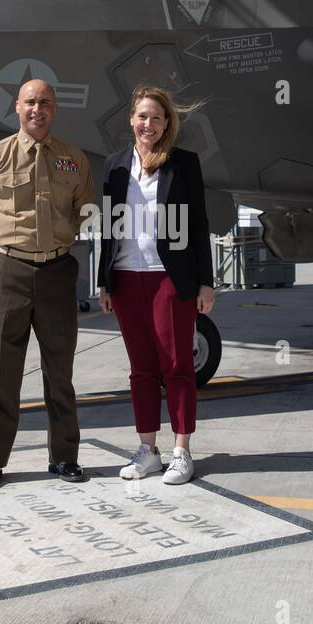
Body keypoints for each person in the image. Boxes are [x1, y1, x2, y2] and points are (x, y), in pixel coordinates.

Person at [0, 79, 96, 491]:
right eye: (31, 102)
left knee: (60, 373)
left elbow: (86, 208)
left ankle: (65, 458)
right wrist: (5, 244)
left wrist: (59, 238)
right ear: (17, 107)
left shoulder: (73, 158)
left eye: (46, 103)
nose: (38, 109)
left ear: (55, 110)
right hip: (7, 275)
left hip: (57, 274)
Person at [97, 84, 214, 485]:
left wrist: (205, 282)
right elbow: (109, 229)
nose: (149, 124)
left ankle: (182, 452)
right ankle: (147, 450)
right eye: (143, 116)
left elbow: (198, 226)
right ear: (132, 120)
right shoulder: (114, 166)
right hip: (127, 277)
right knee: (141, 369)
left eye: (157, 117)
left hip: (170, 277)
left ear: (167, 124)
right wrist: (104, 280)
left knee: (178, 365)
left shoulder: (183, 164)